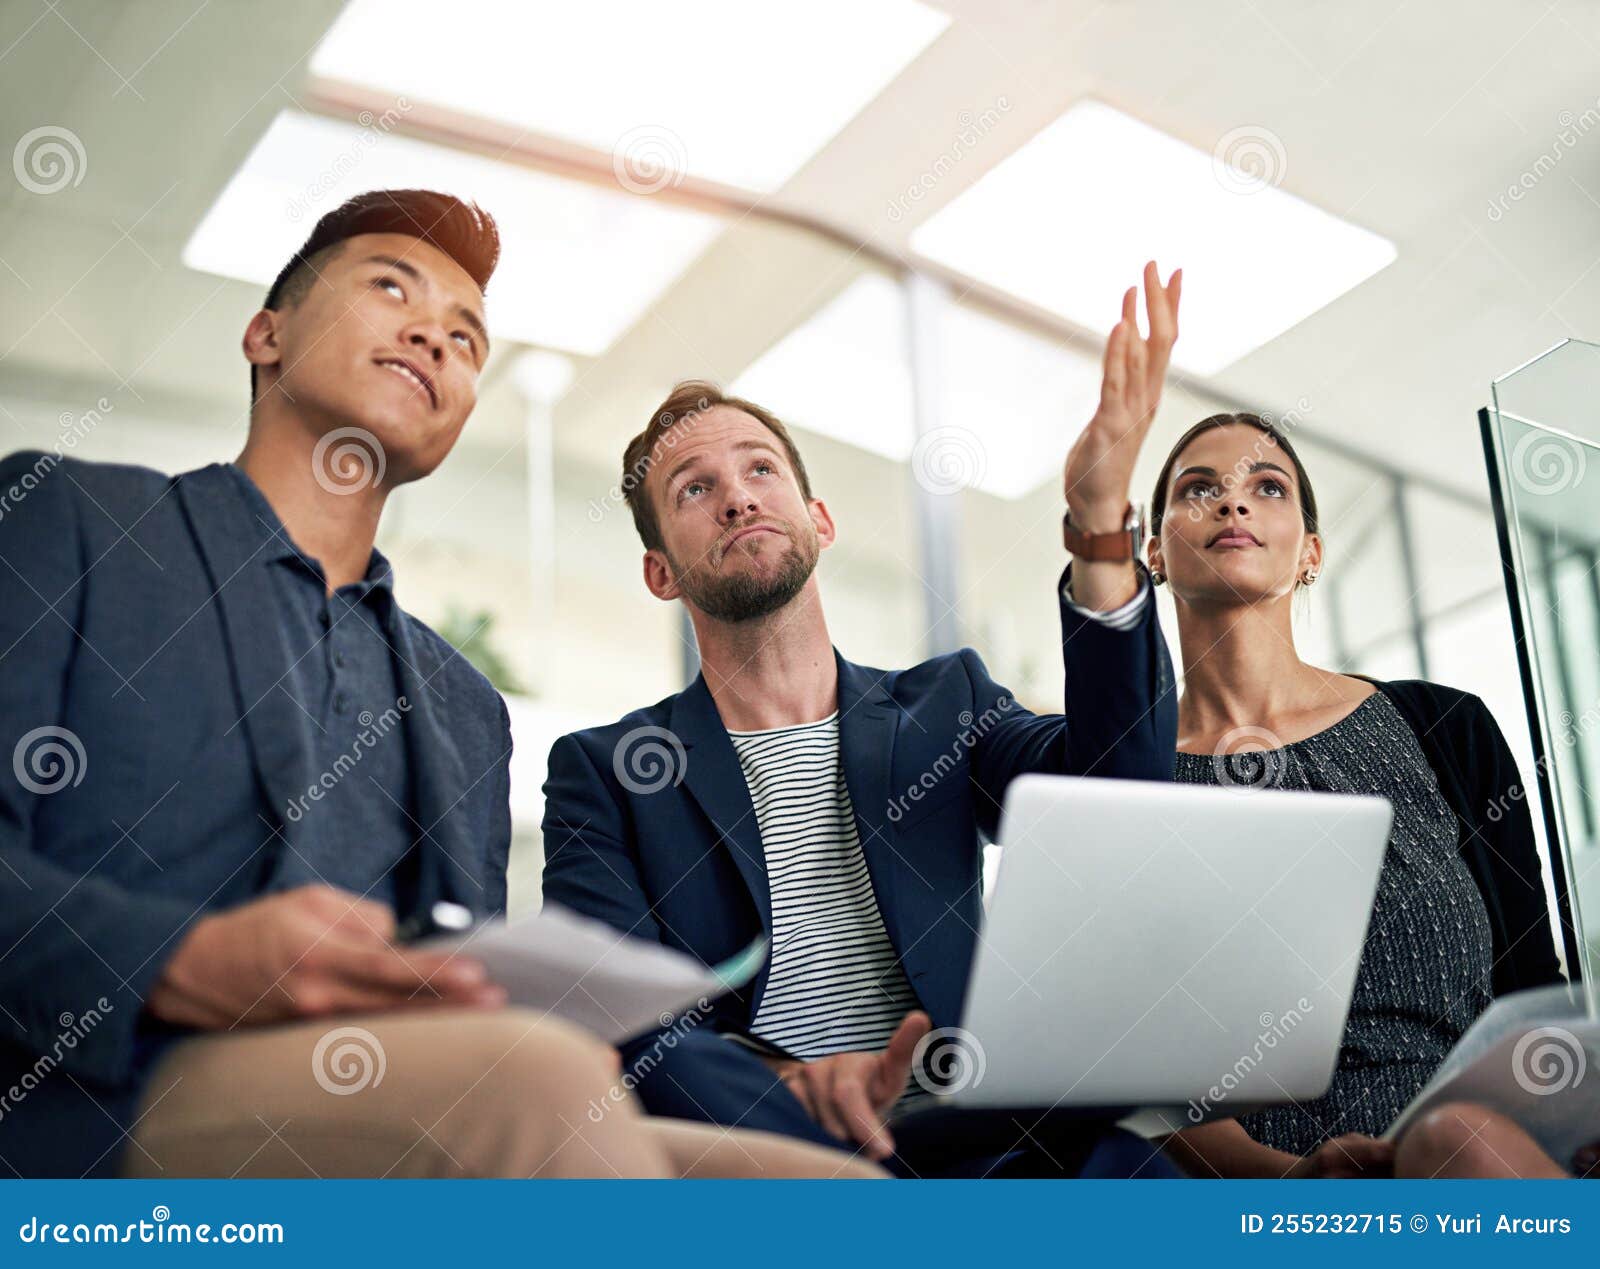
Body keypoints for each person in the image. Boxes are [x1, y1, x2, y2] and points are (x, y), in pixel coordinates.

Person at [0, 189, 877, 1181]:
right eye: (390, 288)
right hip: (100, 1098)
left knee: (819, 1187)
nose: (435, 336)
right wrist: (181, 960)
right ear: (266, 332)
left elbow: (458, 968)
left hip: (405, 1084)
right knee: (526, 1085)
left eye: (466, 339)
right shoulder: (71, 524)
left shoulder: (465, 706)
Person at [541, 264, 1185, 1176]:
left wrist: (1095, 527)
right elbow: (611, 1018)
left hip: (981, 1132)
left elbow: (1124, 797)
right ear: (661, 572)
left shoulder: (945, 707)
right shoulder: (607, 770)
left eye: (761, 469)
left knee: (1132, 1170)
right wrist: (794, 1088)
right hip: (764, 1145)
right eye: (693, 489)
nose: (737, 496)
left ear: (819, 518)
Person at [1138, 410, 1573, 1180]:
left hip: (1486, 1163)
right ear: (1154, 553)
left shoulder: (1447, 728)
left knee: (1457, 1147)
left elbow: (1534, 995)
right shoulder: (1125, 782)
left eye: (1266, 487)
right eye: (1199, 488)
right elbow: (1126, 1074)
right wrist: (1283, 1177)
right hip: (1263, 1200)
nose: (1232, 503)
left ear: (1310, 552)